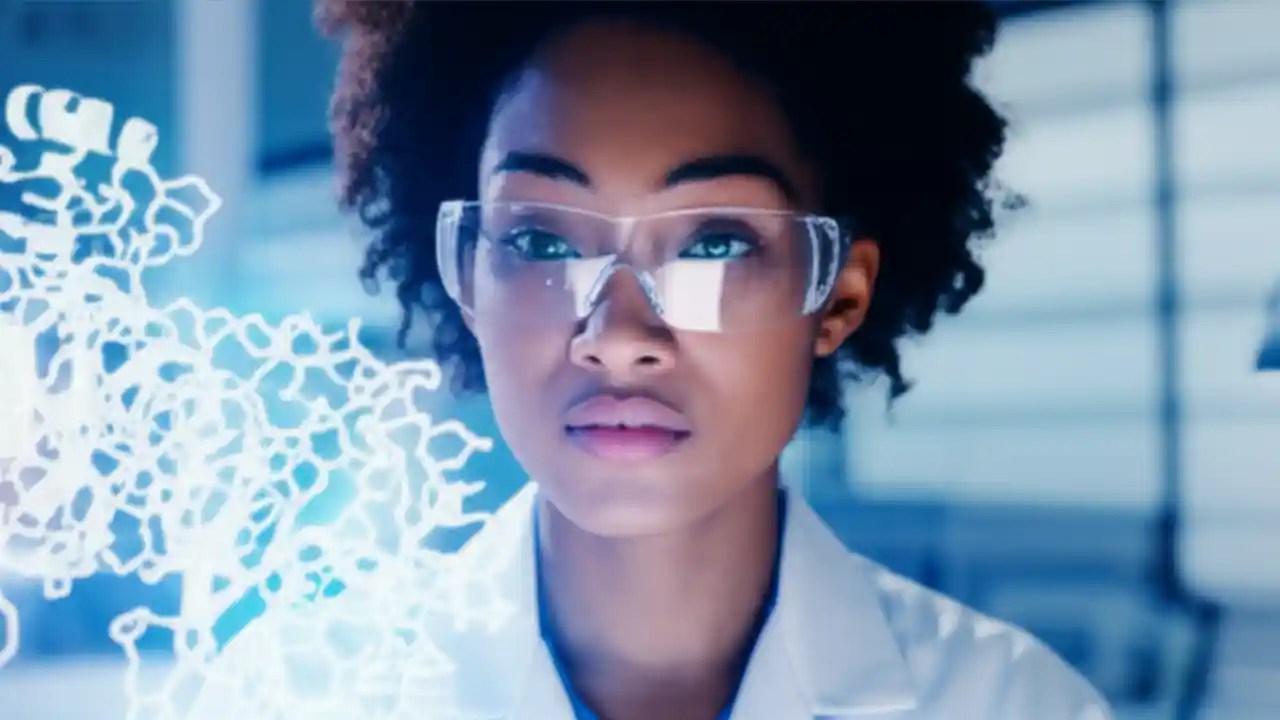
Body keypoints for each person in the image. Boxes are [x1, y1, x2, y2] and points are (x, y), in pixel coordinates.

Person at [200, 2, 1115, 718]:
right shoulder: (289, 697)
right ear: (467, 280)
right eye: (543, 243)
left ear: (838, 296)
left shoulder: (1014, 706)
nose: (618, 333)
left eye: (713, 245)